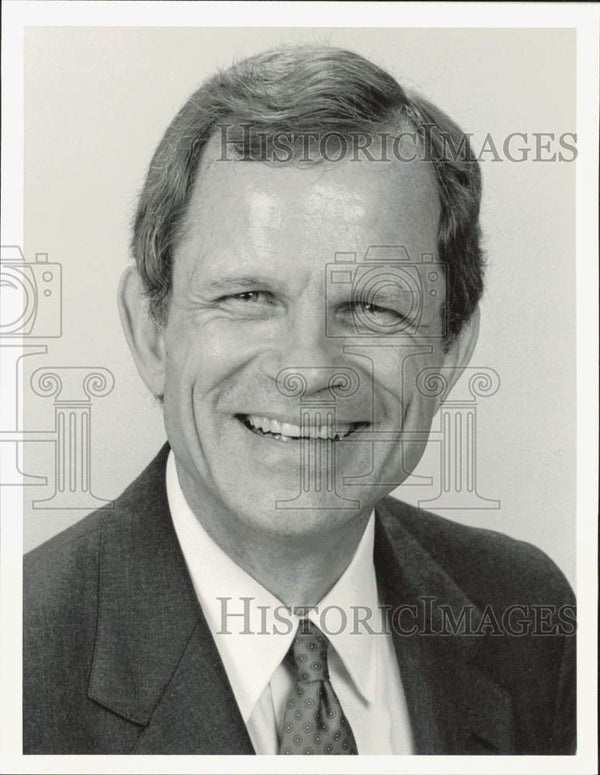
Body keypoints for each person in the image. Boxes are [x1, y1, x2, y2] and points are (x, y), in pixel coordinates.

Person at [23, 45, 575, 755]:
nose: (308, 368)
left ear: (452, 349)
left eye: (372, 307)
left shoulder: (531, 616)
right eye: (249, 296)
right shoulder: (25, 659)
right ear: (150, 330)